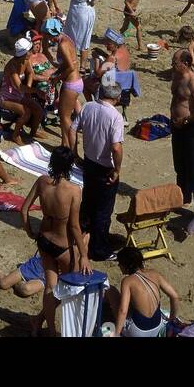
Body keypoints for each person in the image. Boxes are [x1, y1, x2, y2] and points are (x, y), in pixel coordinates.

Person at [21, 146, 89, 336]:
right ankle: (44, 322)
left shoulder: (42, 182)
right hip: (62, 245)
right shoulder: (74, 190)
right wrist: (84, 255)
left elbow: (24, 210)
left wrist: (30, 231)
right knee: (70, 288)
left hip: (43, 240)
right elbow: (75, 227)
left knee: (51, 288)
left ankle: (48, 328)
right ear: (70, 165)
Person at [72, 72, 124, 263]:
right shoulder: (115, 117)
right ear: (117, 98)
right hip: (105, 167)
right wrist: (117, 170)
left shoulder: (88, 107)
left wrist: (74, 153)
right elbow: (116, 147)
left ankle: (82, 237)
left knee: (88, 203)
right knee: (103, 210)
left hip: (89, 162)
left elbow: (72, 129)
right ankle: (99, 250)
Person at [106, 244, 180, 337]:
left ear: (125, 265)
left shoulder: (127, 281)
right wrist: (171, 320)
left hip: (138, 332)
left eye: (120, 263)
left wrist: (116, 333)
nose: (118, 265)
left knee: (110, 290)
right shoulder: (155, 274)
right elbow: (175, 296)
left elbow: (122, 311)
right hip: (158, 327)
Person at [169, 49, 194, 206]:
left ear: (185, 64)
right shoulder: (176, 76)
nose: (172, 66)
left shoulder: (193, 82)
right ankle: (183, 198)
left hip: (190, 127)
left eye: (175, 63)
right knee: (180, 165)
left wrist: (185, 121)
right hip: (176, 127)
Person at [0, 39, 45, 143]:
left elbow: (30, 74)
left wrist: (28, 88)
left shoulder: (26, 60)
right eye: (29, 50)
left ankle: (33, 132)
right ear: (24, 53)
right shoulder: (12, 67)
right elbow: (19, 86)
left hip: (19, 94)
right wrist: (34, 91)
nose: (31, 51)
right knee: (26, 112)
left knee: (38, 110)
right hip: (7, 97)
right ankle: (15, 135)